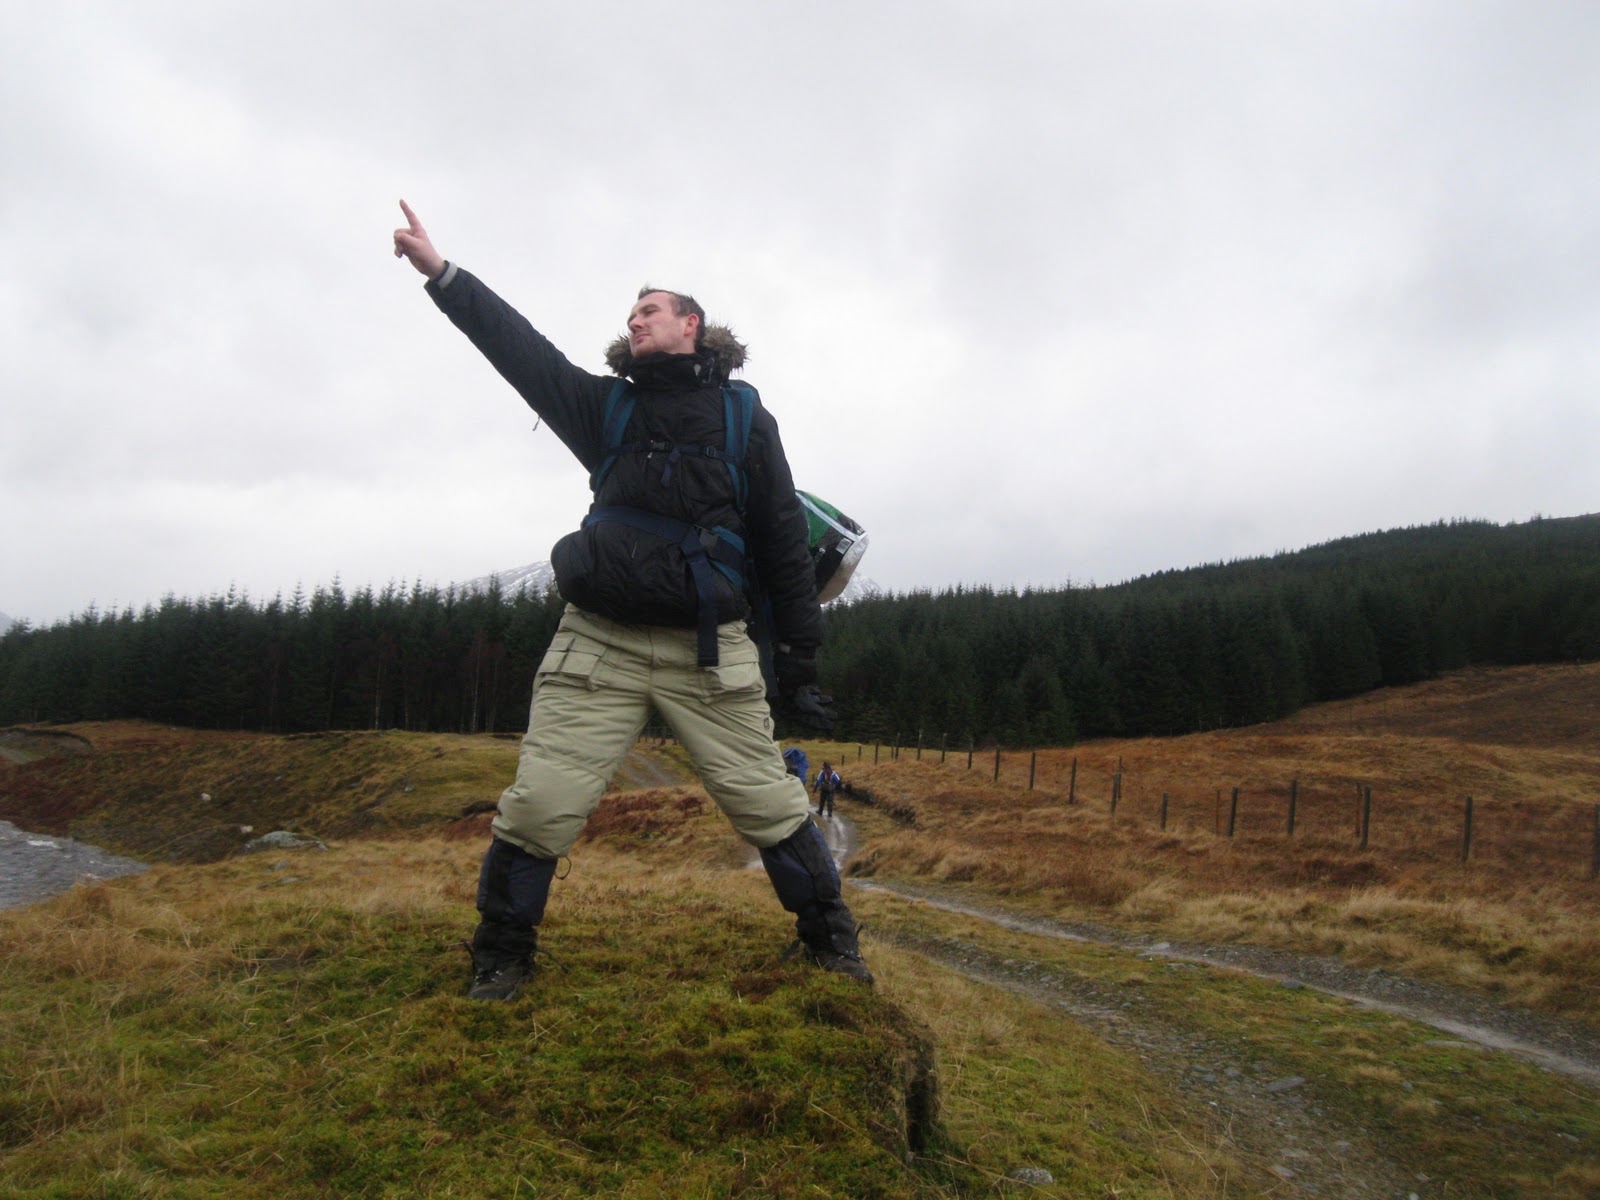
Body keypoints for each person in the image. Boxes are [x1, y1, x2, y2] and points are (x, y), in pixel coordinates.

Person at [391, 201, 872, 999]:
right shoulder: (604, 406)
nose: (634, 320)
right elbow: (521, 353)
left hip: (709, 650)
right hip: (598, 643)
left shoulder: (744, 417)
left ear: (692, 324)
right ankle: (501, 956)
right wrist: (443, 276)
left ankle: (832, 946)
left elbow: (784, 539)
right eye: (630, 313)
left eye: (649, 310)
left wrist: (801, 660)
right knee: (541, 804)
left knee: (770, 804)